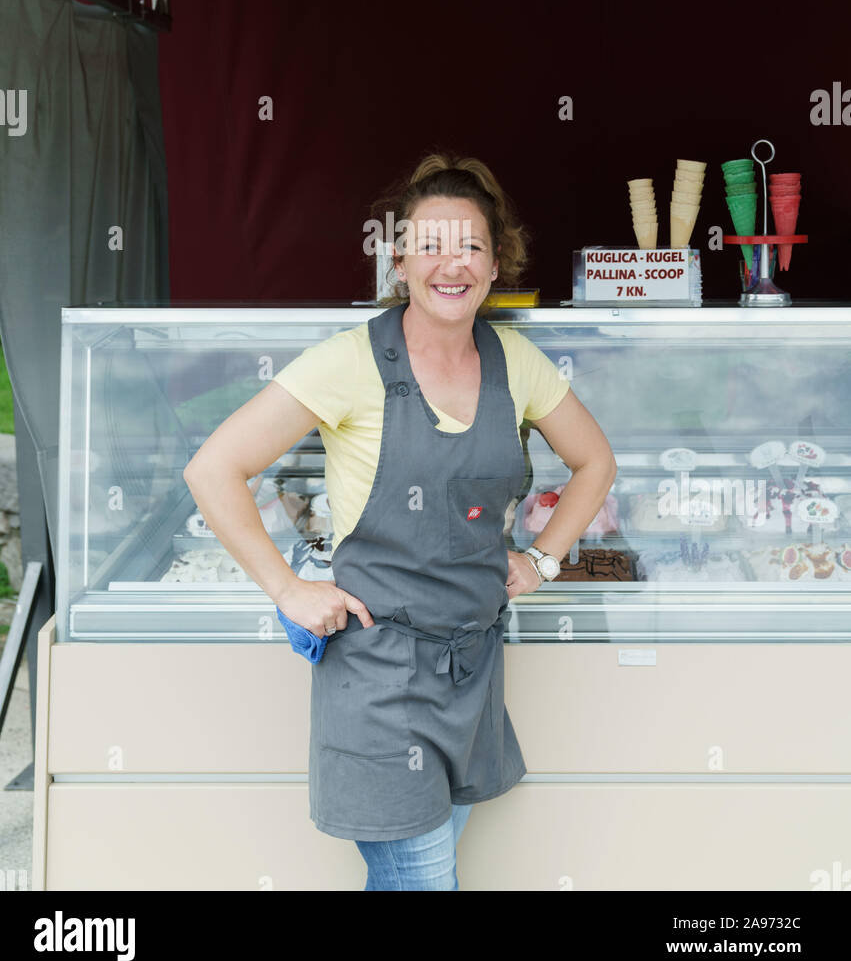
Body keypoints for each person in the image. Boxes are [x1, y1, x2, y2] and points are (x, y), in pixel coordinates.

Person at [183, 152, 616, 890]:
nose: (454, 264)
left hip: (472, 668)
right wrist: (287, 589)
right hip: (379, 680)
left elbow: (595, 463)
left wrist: (540, 559)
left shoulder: (515, 362)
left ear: (496, 260)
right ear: (401, 259)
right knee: (421, 878)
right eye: (433, 245)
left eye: (472, 245)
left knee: (417, 876)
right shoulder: (349, 362)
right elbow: (212, 468)